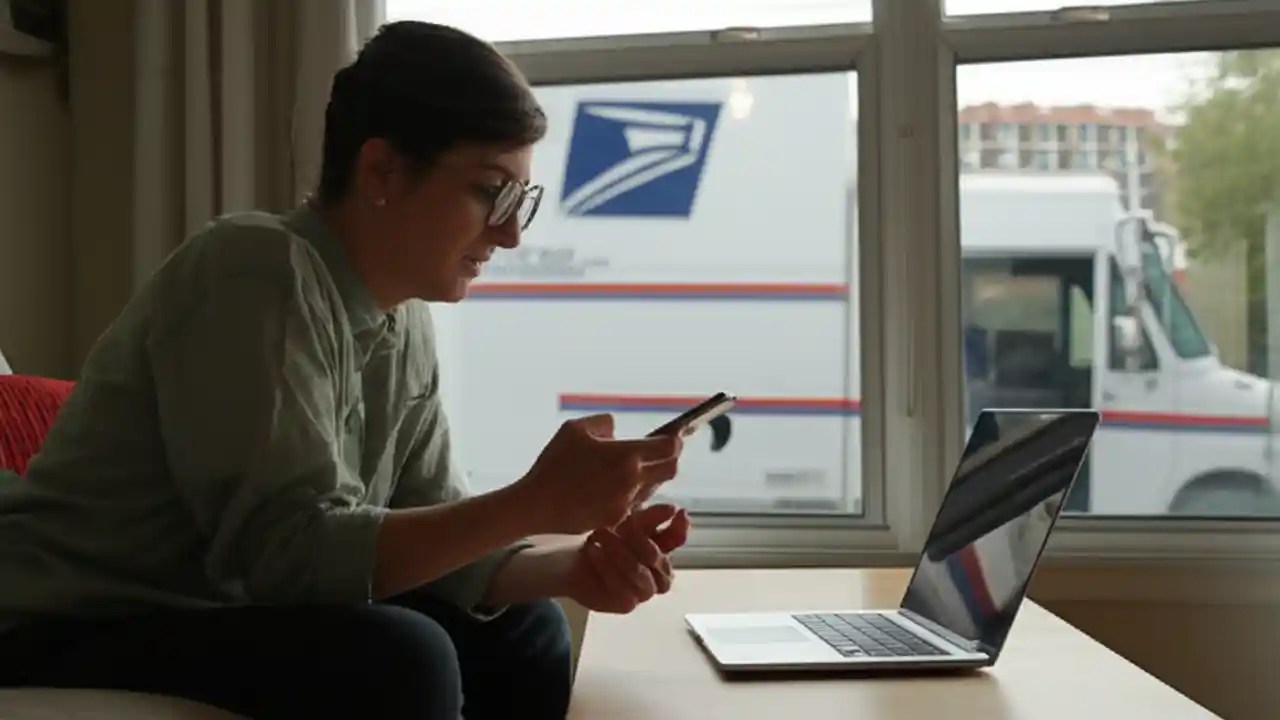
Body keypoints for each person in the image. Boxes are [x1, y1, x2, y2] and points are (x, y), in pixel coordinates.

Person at [0, 21, 692, 720]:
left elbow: (440, 532)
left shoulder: (403, 321)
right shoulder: (253, 271)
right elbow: (283, 555)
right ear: (382, 171)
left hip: (204, 606)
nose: (512, 233)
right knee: (400, 657)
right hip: (69, 615)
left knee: (529, 629)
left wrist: (574, 567)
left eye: (522, 201)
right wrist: (533, 502)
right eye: (492, 192)